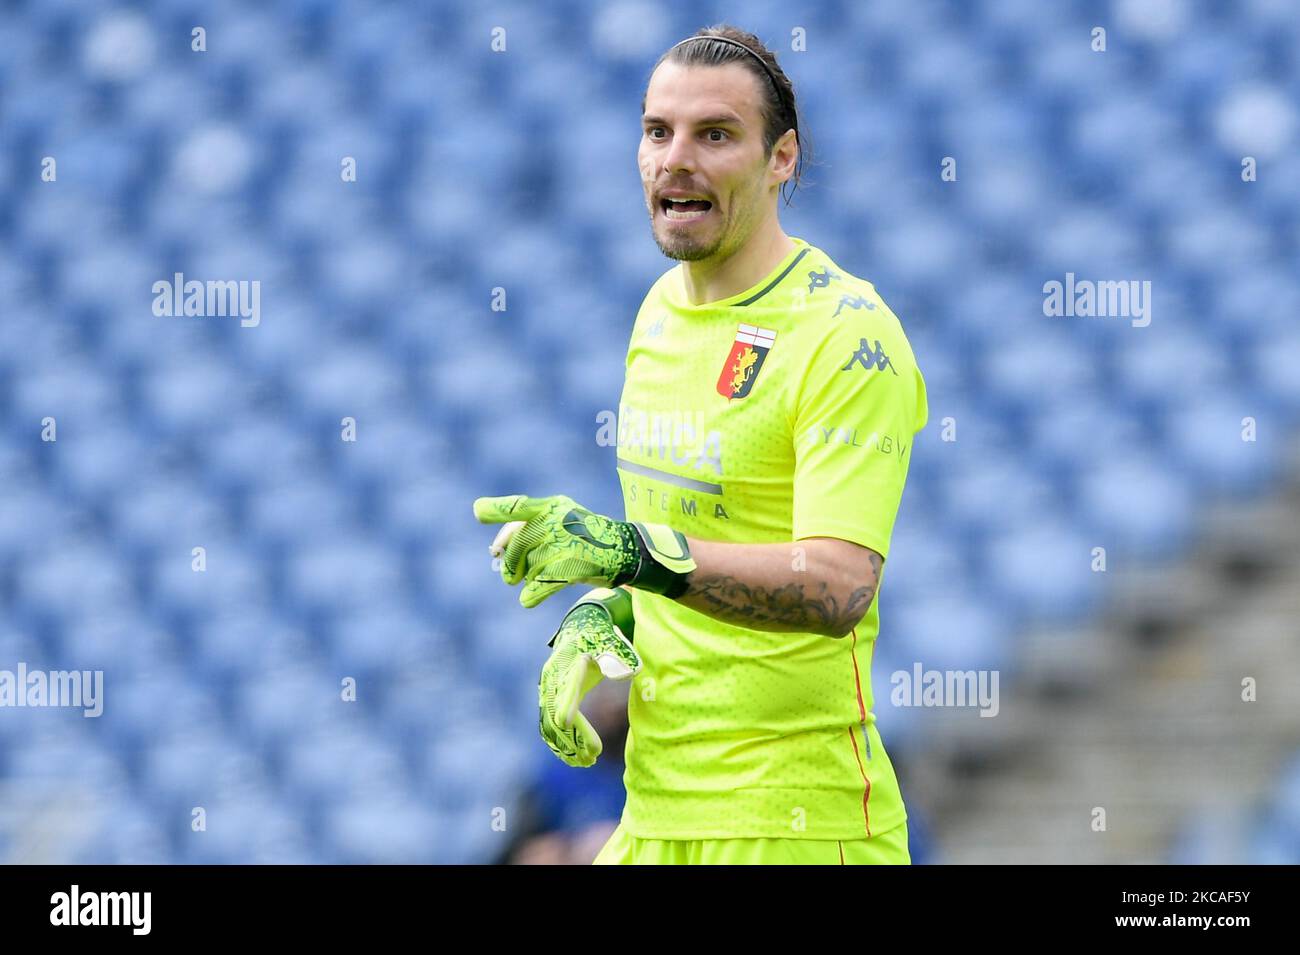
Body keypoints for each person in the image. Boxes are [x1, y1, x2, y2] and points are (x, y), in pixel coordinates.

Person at [474, 24, 928, 865]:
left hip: (794, 827)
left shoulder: (845, 334)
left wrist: (630, 556)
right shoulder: (657, 314)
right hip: (652, 817)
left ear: (781, 158)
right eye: (658, 131)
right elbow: (691, 554)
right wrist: (606, 614)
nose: (675, 158)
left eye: (715, 134)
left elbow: (836, 586)